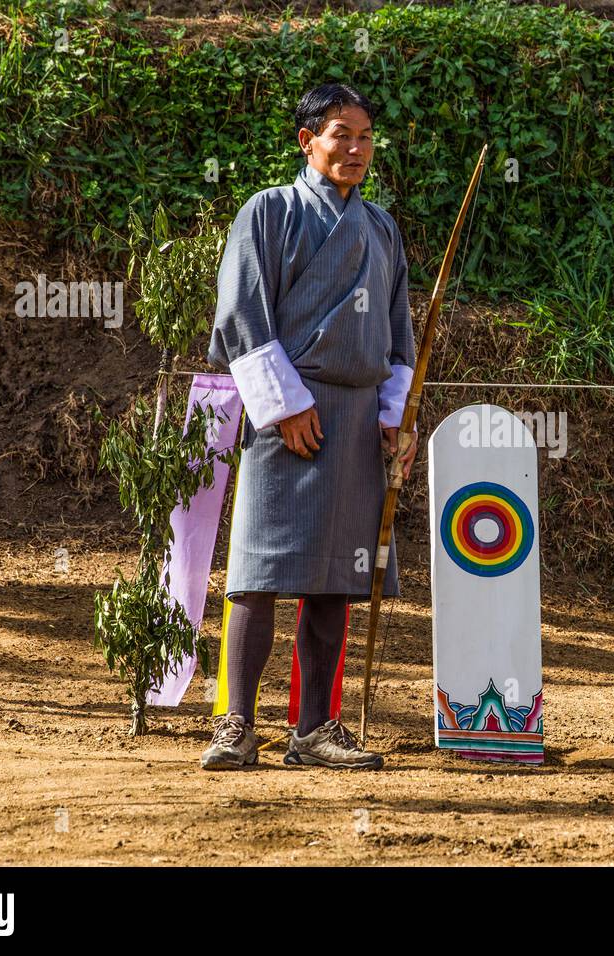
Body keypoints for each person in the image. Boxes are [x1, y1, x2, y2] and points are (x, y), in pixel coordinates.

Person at [200, 83, 417, 771]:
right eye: (338, 134)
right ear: (307, 140)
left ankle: (315, 728)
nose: (354, 148)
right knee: (257, 574)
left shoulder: (381, 227)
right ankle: (235, 725)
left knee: (336, 579)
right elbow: (242, 313)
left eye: (364, 137)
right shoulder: (267, 213)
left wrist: (396, 421)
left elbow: (399, 333)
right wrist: (285, 405)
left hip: (356, 420)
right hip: (285, 414)